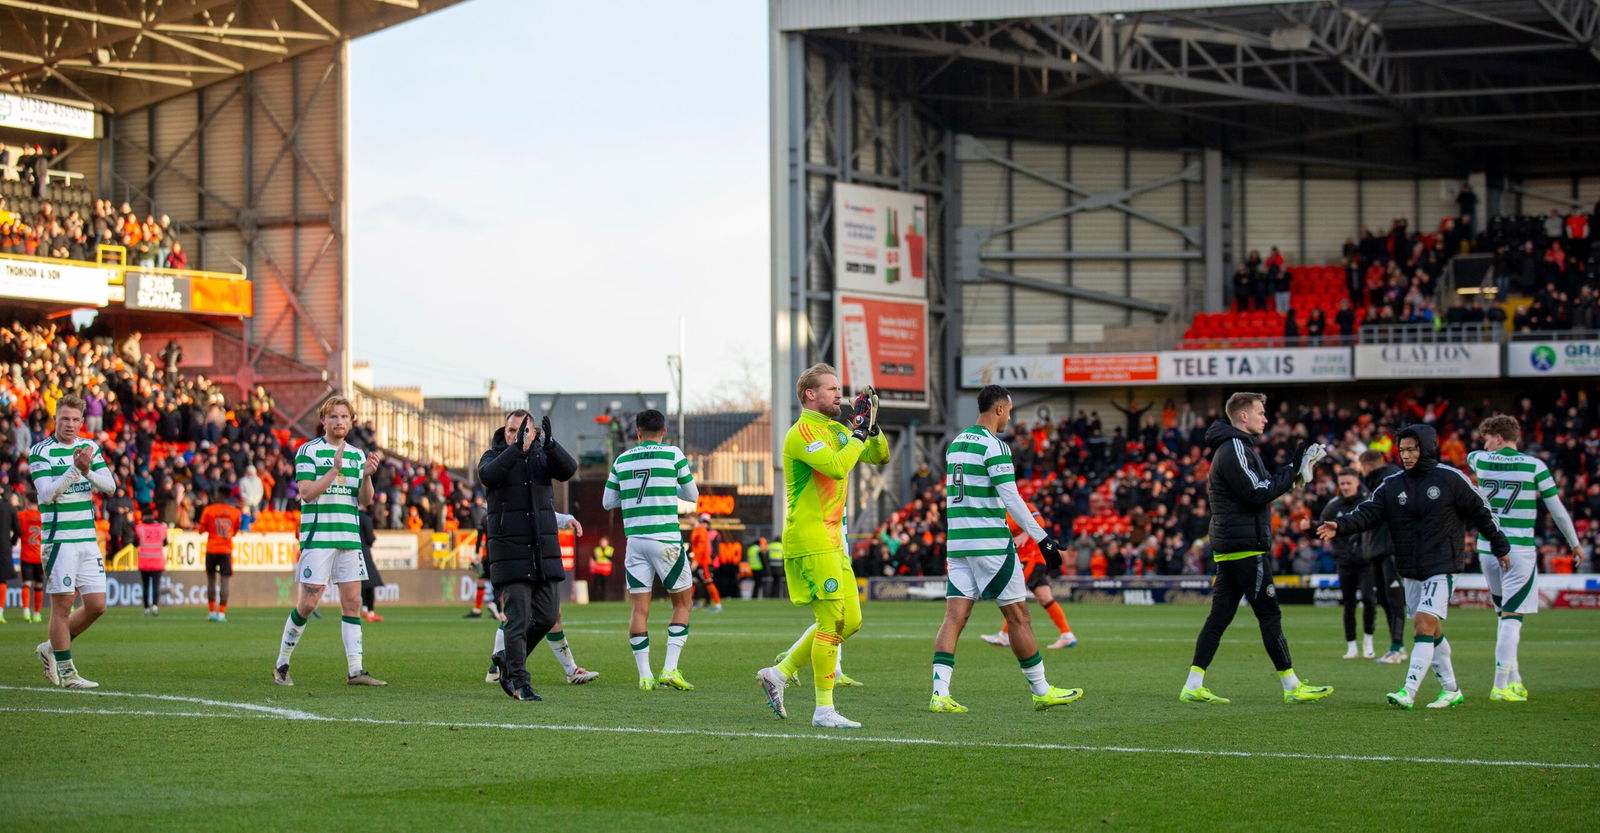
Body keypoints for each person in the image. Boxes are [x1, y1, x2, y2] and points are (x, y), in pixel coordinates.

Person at [1317, 425, 1510, 710]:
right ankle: (1451, 690)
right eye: (1403, 450)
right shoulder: (1393, 484)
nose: (1406, 455)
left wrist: (1500, 545)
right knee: (1431, 629)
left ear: (1428, 448)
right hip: (1409, 567)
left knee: (1422, 623)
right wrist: (1341, 525)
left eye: (1412, 449)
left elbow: (1482, 511)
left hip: (1443, 564)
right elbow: (1369, 512)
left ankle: (1408, 690)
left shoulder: (1451, 478)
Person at [929, 386, 1082, 714]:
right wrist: (1043, 539)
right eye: (1009, 410)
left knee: (954, 617)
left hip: (958, 542)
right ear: (999, 409)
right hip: (990, 544)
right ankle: (1041, 690)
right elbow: (1011, 497)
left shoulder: (956, 443)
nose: (1010, 416)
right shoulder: (995, 446)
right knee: (1019, 616)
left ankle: (939, 693)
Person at [755, 367, 887, 728]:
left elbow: (880, 457)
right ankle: (823, 710)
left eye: (839, 389)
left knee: (851, 622)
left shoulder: (837, 430)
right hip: (810, 538)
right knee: (831, 621)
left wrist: (871, 428)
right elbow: (837, 467)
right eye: (831, 389)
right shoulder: (802, 433)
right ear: (809, 395)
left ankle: (778, 674)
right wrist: (858, 432)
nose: (838, 395)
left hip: (832, 541)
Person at [1180, 391, 1332, 705]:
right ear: (1244, 416)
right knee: (1269, 615)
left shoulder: (1236, 447)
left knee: (1219, 617)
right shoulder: (1235, 447)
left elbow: (1260, 488)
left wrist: (1293, 474)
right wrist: (1292, 469)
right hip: (1245, 547)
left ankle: (1193, 684)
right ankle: (1292, 686)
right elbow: (1257, 493)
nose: (1266, 418)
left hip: (1232, 545)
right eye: (1261, 412)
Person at [1466, 416, 1582, 702]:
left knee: (1504, 615)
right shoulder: (1535, 466)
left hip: (1488, 548)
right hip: (1519, 550)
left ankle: (1515, 679)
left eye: (1487, 438)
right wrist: (1575, 544)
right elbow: (1556, 510)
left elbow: (1474, 457)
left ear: (1498, 438)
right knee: (1512, 617)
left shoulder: (1479, 460)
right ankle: (1500, 684)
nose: (1484, 444)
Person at [273, 396, 386, 688]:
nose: (339, 422)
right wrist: (334, 469)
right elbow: (307, 493)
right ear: (323, 420)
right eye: (333, 417)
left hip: (349, 537)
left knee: (352, 602)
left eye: (344, 417)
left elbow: (364, 501)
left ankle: (356, 670)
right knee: (308, 603)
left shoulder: (357, 455)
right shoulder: (308, 451)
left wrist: (368, 477)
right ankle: (282, 664)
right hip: (318, 538)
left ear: (351, 421)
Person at [477, 409, 578, 701]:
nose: (515, 435)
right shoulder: (492, 456)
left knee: (547, 616)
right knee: (518, 619)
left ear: (534, 433)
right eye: (511, 430)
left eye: (522, 431)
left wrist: (551, 443)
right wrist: (516, 450)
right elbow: (488, 475)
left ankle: (506, 658)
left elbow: (569, 470)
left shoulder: (542, 457)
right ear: (504, 431)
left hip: (543, 553)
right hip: (511, 553)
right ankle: (519, 682)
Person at [602, 408, 701, 691]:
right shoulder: (673, 455)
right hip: (666, 539)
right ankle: (669, 668)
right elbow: (692, 496)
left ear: (637, 432)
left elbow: (608, 502)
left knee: (639, 609)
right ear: (664, 431)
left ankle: (644, 675)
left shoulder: (621, 459)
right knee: (682, 604)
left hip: (635, 541)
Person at [29, 395, 117, 689]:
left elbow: (111, 486)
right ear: (55, 418)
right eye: (63, 418)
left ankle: (51, 648)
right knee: (63, 606)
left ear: (82, 422)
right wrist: (75, 470)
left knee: (97, 605)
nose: (68, 424)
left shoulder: (89, 448)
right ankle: (67, 673)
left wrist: (87, 469)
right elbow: (46, 494)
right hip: (59, 540)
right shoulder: (41, 451)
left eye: (74, 419)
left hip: (87, 540)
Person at [481, 511, 597, 688]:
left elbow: (539, 509)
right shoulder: (507, 493)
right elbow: (528, 511)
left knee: (551, 614)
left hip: (539, 555)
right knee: (520, 612)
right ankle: (496, 668)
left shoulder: (531, 489)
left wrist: (566, 520)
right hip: (518, 555)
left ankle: (570, 669)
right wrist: (565, 520)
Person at [979, 500, 1077, 650]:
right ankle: (1067, 635)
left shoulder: (1020, 504)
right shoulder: (999, 512)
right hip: (1023, 558)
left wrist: (1025, 534)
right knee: (1045, 598)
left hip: (1032, 558)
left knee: (1013, 593)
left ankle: (1004, 636)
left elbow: (1040, 522)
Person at [1356, 450, 1409, 663]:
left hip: (1390, 548)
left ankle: (1397, 648)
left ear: (1366, 466)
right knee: (1386, 600)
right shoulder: (1376, 483)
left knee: (1394, 599)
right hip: (1378, 548)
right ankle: (1398, 646)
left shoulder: (1391, 480)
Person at [1321, 470, 1377, 659]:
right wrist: (1310, 526)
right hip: (1344, 561)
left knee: (1369, 599)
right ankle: (1351, 645)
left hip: (1366, 560)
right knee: (1348, 603)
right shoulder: (1333, 505)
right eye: (1342, 483)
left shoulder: (1368, 501)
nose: (1344, 487)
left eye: (1348, 483)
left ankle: (1368, 640)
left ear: (1357, 482)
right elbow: (1322, 526)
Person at [199, 490, 242, 622]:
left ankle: (212, 612)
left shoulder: (209, 510)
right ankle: (222, 614)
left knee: (211, 580)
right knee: (225, 581)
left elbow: (201, 530)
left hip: (211, 548)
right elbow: (235, 531)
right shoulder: (235, 512)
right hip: (225, 550)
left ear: (218, 496)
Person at [17, 496, 43, 623]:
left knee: (26, 583)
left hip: (26, 555)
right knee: (39, 585)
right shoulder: (42, 516)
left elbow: (17, 530)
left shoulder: (21, 515)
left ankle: (26, 611)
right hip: (40, 556)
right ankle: (37, 613)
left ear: (27, 502)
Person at [135, 518, 167, 616]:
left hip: (144, 561)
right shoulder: (161, 528)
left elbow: (134, 542)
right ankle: (155, 606)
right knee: (156, 585)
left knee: (146, 586)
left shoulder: (140, 528)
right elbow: (166, 543)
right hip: (157, 561)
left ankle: (146, 608)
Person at [358, 509, 384, 623]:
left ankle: (364, 609)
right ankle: (371, 612)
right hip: (364, 552)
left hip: (351, 551)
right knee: (370, 582)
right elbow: (370, 538)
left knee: (361, 582)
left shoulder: (349, 515)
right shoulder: (365, 518)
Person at [0, 493, 17, 623]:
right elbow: (18, 530)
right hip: (4, 547)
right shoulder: (8, 507)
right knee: (2, 579)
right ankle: (0, 612)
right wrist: (11, 542)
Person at [590, 536, 614, 602]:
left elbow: (612, 558)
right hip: (597, 570)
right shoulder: (597, 549)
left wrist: (603, 556)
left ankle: (604, 599)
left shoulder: (610, 549)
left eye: (604, 541)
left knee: (605, 585)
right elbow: (592, 558)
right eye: (602, 541)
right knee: (596, 584)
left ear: (607, 542)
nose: (603, 543)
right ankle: (595, 599)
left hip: (606, 571)